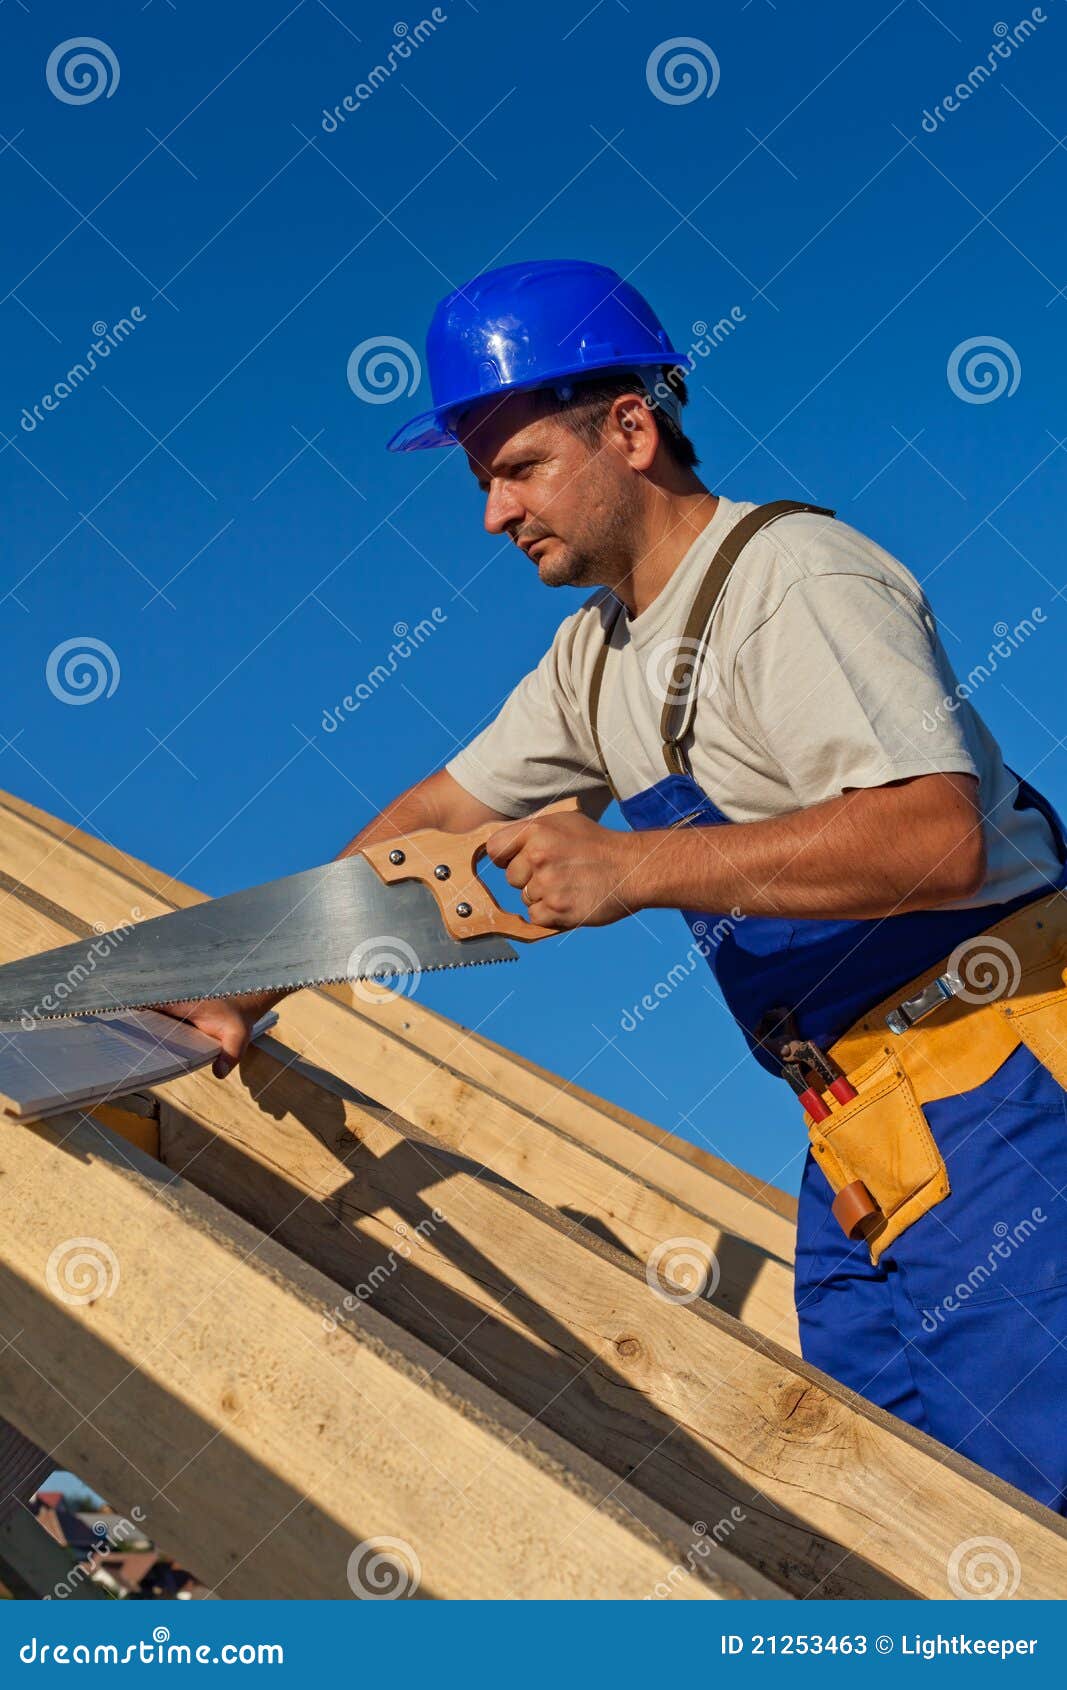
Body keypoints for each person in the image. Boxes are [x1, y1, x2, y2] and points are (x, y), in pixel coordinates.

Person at [173, 259, 1067, 1514]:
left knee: (1034, 1505)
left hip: (997, 1087)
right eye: (478, 478)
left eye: (516, 466)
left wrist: (636, 865)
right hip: (861, 1136)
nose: (491, 512)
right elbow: (434, 820)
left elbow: (935, 837)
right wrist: (239, 985)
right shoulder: (596, 657)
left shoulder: (790, 579)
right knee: (921, 1525)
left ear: (631, 430)